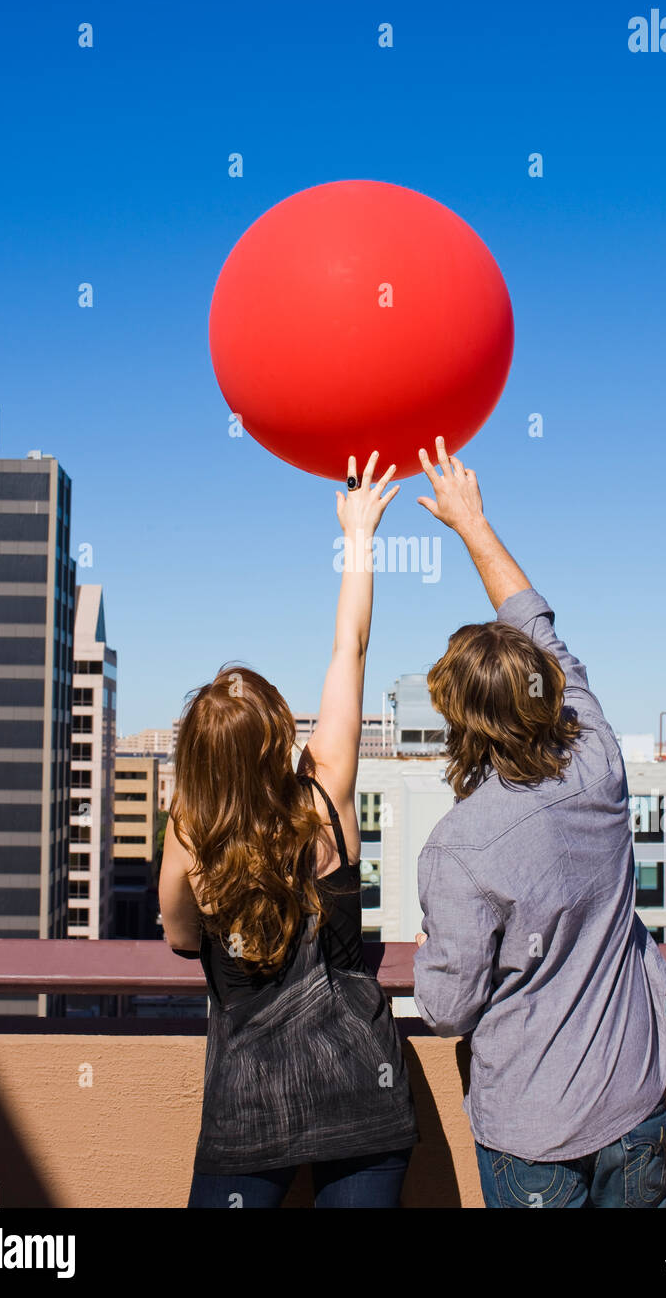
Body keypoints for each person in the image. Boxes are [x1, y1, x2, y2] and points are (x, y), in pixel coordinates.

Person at [412, 437, 666, 1209]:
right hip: (633, 1104)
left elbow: (447, 1010)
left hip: (533, 1134)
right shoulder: (599, 757)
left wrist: (435, 952)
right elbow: (535, 618)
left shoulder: (459, 847)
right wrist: (473, 522)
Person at [159, 451, 419, 1209]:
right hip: (362, 1099)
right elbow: (352, 646)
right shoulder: (325, 796)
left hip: (247, 1109)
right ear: (280, 733)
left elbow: (179, 936)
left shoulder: (193, 836)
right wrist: (358, 533)